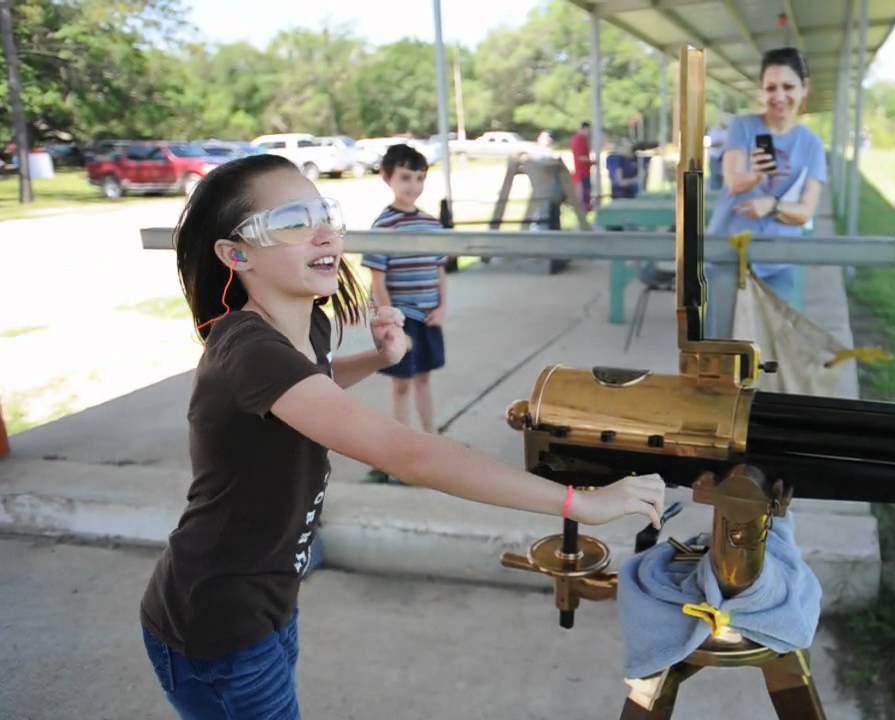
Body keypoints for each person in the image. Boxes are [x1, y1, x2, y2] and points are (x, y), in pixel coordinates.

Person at [139, 153, 666, 718]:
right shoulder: (249, 349)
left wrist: (377, 357)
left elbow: (306, 389)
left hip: (266, 603)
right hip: (218, 622)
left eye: (324, 213)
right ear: (236, 253)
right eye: (292, 221)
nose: (323, 232)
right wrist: (578, 503)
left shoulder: (303, 321)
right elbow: (408, 453)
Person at [705, 47, 827, 338]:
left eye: (788, 87)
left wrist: (770, 205)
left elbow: (806, 212)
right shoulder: (743, 127)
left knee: (770, 346)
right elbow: (733, 182)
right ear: (761, 91)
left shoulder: (811, 145)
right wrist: (758, 174)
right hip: (728, 255)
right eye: (771, 88)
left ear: (804, 89)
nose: (779, 96)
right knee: (719, 341)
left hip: (778, 261)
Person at [359, 144, 447, 484]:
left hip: (428, 316)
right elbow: (378, 281)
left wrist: (442, 307)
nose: (413, 185)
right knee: (401, 385)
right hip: (400, 318)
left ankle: (431, 441)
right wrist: (389, 318)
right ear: (387, 178)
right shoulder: (383, 227)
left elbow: (440, 271)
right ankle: (399, 453)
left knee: (424, 379)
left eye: (420, 178)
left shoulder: (431, 224)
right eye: (406, 177)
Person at [570, 121, 594, 210]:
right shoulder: (579, 140)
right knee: (583, 200)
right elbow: (580, 158)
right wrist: (593, 162)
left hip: (585, 173)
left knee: (586, 198)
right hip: (581, 174)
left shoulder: (582, 140)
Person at [707, 116, 730, 191]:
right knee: (715, 177)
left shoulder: (728, 132)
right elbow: (712, 144)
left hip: (725, 157)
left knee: (724, 178)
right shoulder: (714, 131)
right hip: (715, 157)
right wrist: (721, 143)